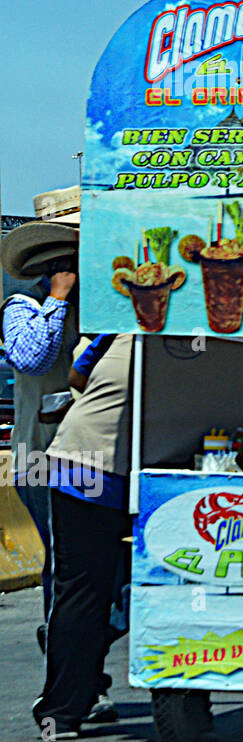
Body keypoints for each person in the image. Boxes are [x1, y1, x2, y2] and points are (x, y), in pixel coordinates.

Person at [33, 335, 243, 739]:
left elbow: (78, 375)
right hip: (166, 475)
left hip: (84, 462)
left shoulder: (127, 320)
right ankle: (198, 695)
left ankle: (62, 714)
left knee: (82, 590)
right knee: (194, 585)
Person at [0, 186, 82, 652]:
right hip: (44, 457)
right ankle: (64, 653)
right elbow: (32, 358)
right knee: (66, 558)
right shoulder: (23, 307)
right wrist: (58, 298)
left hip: (99, 452)